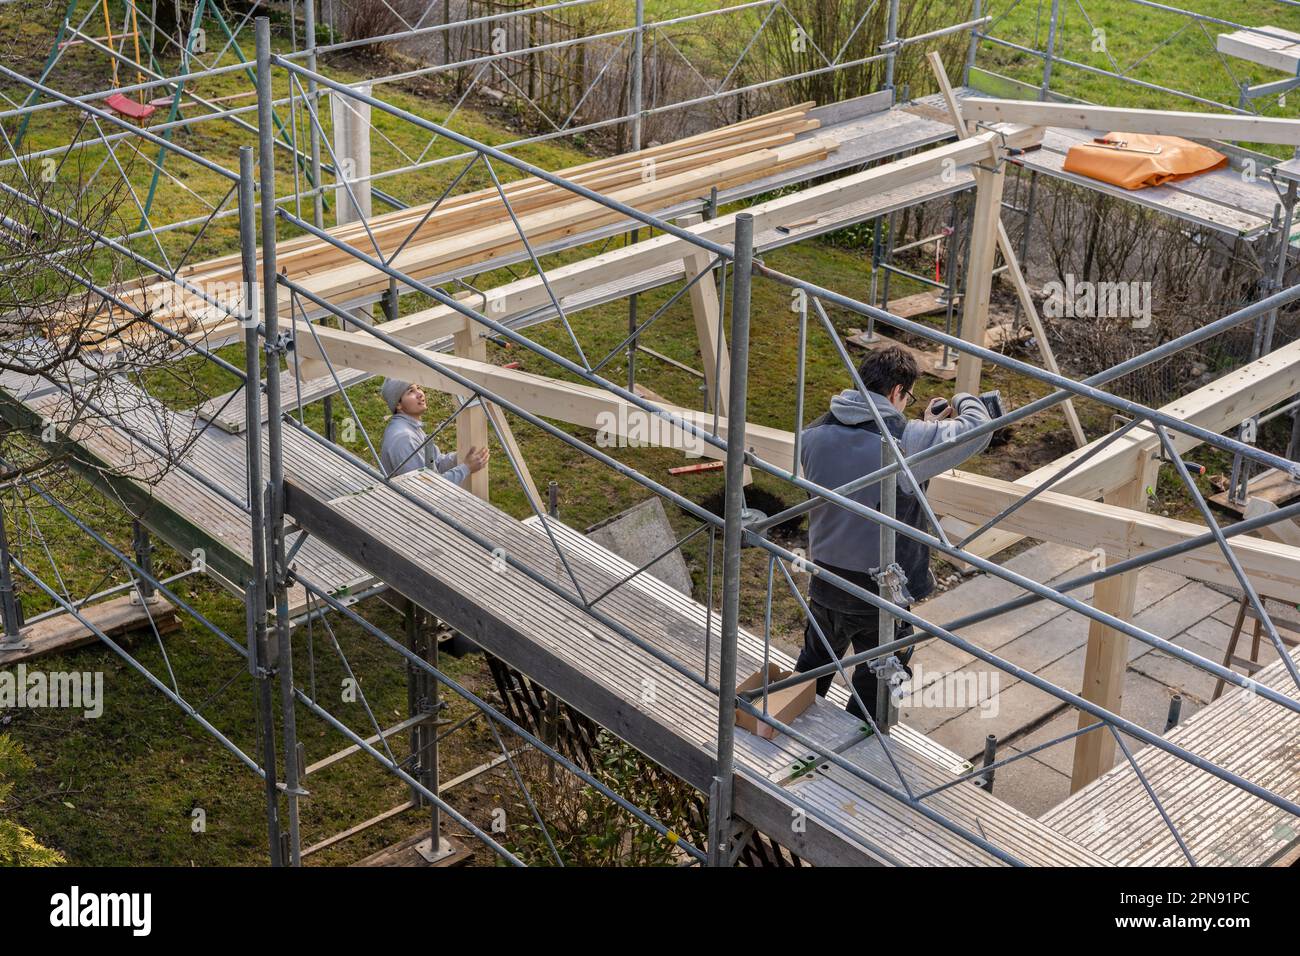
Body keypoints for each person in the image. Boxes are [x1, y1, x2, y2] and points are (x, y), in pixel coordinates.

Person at [795, 346, 993, 723]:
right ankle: (863, 757)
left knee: (815, 663)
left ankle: (784, 729)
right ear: (897, 392)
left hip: (825, 581)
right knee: (880, 683)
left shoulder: (812, 433)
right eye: (908, 397)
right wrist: (963, 397)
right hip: (881, 592)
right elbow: (977, 432)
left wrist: (920, 425)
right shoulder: (906, 441)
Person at [379, 378, 489, 483]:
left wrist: (460, 457)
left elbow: (437, 463)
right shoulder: (404, 438)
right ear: (398, 404)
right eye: (411, 391)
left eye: (418, 387)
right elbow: (427, 487)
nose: (420, 394)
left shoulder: (411, 427)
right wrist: (466, 468)